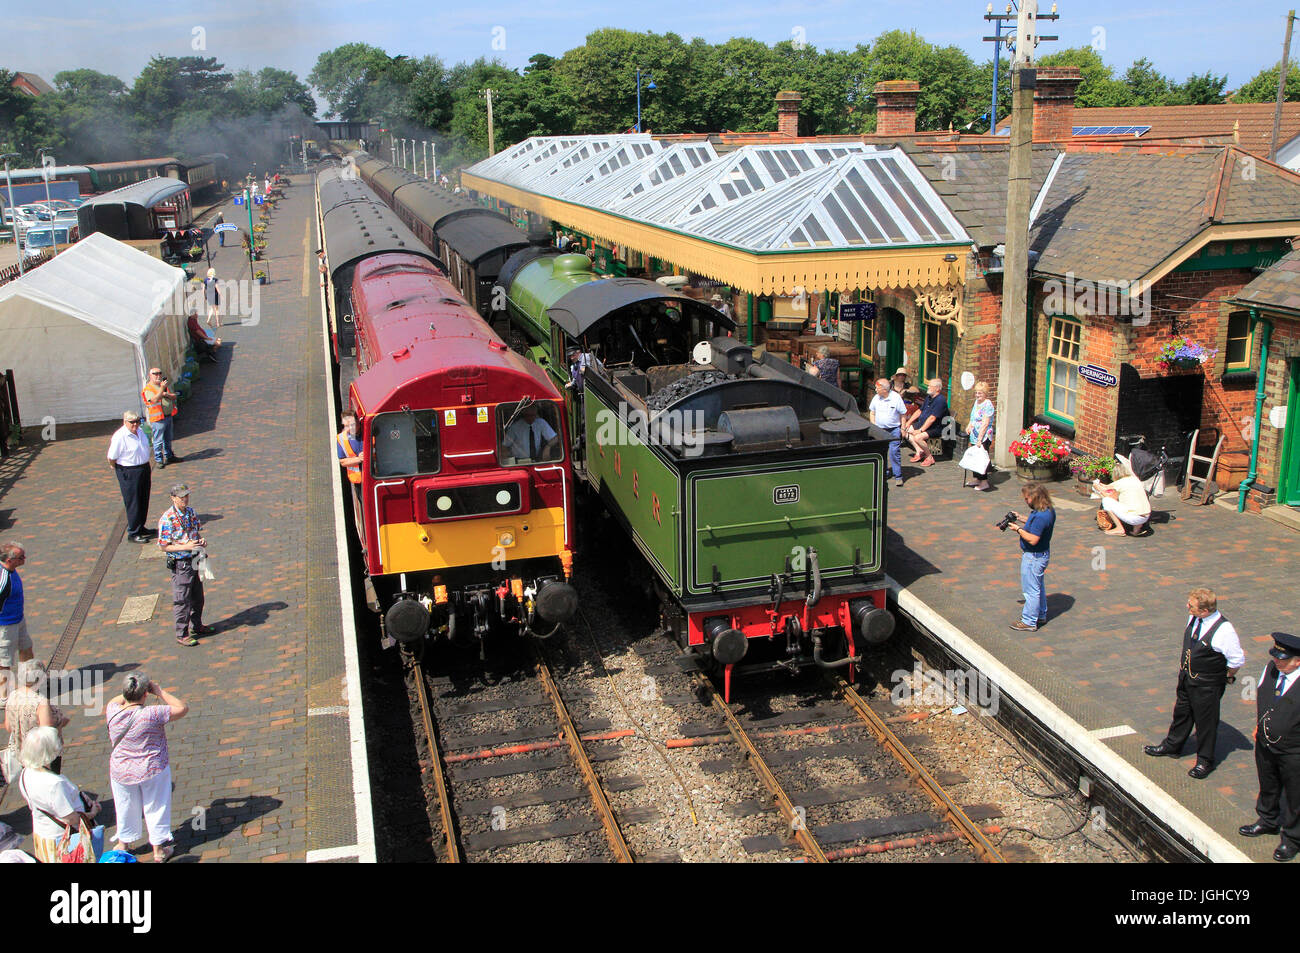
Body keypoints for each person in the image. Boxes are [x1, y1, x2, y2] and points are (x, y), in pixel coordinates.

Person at [1144, 588, 1245, 779]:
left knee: (1206, 722)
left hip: (1207, 685)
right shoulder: (1194, 618)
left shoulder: (1224, 631)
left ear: (1205, 611)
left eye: (1191, 606)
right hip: (1187, 679)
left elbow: (1236, 660)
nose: (1187, 607)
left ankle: (1205, 760)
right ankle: (1173, 745)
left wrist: (1227, 677)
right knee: (1182, 712)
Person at [106, 673, 188, 863]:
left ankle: (123, 843)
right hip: (152, 769)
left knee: (125, 806)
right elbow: (182, 708)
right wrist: (157, 690)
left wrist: (133, 689)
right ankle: (158, 850)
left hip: (121, 770)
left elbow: (115, 699)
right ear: (145, 695)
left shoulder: (112, 710)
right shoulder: (152, 713)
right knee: (156, 806)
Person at [1239, 631, 1300, 862]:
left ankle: (1292, 839)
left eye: (1283, 659)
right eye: (1276, 656)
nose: (1277, 661)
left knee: (1295, 797)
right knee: (1268, 784)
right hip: (1265, 744)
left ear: (1298, 661)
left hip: (1294, 751)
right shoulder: (1271, 669)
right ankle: (1267, 820)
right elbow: (1265, 698)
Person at [16, 727, 101, 863]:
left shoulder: (26, 773)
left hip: (43, 834)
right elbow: (71, 818)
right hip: (63, 840)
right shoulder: (54, 783)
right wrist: (93, 813)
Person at [157, 484, 210, 647]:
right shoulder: (168, 519)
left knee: (198, 597)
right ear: (173, 498)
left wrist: (200, 541)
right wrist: (185, 546)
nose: (185, 499)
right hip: (181, 564)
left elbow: (195, 532)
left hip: (195, 559)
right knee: (182, 599)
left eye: (186, 496)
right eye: (181, 497)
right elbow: (163, 546)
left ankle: (197, 625)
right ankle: (182, 633)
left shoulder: (191, 512)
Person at [1006, 482, 1056, 632]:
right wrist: (1021, 518)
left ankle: (1029, 621)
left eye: (1027, 498)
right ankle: (1040, 614)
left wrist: (1018, 529)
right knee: (1038, 586)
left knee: (1031, 590)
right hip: (1041, 555)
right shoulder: (1047, 510)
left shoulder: (1041, 516)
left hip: (1033, 557)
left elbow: (1033, 538)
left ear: (1035, 497)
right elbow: (1036, 525)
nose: (1025, 501)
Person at [5, 661, 69, 774]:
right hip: (43, 756)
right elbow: (48, 733)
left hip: (22, 752)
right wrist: (61, 722)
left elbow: (8, 727)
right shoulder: (40, 703)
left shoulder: (13, 696)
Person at [107, 412, 154, 543]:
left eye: (137, 421)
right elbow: (112, 457)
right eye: (132, 422)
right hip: (129, 470)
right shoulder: (120, 436)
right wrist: (115, 468)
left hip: (143, 468)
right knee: (133, 501)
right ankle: (133, 532)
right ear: (124, 422)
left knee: (143, 498)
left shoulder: (140, 431)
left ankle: (141, 527)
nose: (135, 424)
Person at [0, 543, 33, 701]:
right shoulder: (4, 579)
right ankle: (3, 696)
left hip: (18, 619)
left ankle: (30, 682)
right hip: (6, 626)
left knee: (26, 649)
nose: (24, 559)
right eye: (21, 557)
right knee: (4, 661)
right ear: (9, 560)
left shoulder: (11, 570)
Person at [868, 378, 907, 488]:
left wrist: (903, 428)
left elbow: (903, 414)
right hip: (880, 430)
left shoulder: (896, 398)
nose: (875, 390)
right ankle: (883, 473)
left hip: (894, 429)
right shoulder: (876, 398)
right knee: (881, 451)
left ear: (884, 389)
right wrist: (874, 426)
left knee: (894, 452)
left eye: (877, 388)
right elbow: (872, 413)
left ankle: (898, 476)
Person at [903, 379, 951, 467]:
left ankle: (929, 457)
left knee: (918, 437)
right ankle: (919, 451)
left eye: (930, 385)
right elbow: (919, 411)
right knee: (904, 430)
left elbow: (932, 419)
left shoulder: (940, 400)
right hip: (923, 424)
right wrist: (908, 422)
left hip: (936, 428)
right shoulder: (929, 397)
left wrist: (920, 430)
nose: (928, 387)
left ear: (937, 388)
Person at [1095, 466, 1152, 536]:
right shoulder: (1135, 479)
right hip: (1146, 516)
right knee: (1136, 502)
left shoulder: (1120, 482)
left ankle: (1119, 528)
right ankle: (1136, 529)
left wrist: (1096, 485)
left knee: (1106, 501)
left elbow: (1105, 490)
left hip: (1134, 518)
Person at [141, 367, 181, 468]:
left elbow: (173, 396)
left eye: (159, 373)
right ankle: (159, 460)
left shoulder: (163, 385)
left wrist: (167, 394)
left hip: (167, 416)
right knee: (158, 440)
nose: (158, 375)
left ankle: (169, 456)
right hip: (158, 419)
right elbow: (153, 400)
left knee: (168, 438)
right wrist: (162, 391)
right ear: (150, 376)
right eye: (155, 374)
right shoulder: (149, 388)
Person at [965, 381, 995, 491]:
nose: (977, 395)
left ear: (985, 394)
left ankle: (984, 481)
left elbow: (985, 423)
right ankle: (977, 478)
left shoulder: (988, 405)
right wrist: (969, 426)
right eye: (976, 393)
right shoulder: (976, 403)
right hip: (974, 433)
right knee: (974, 457)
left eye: (980, 393)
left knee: (981, 458)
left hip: (983, 435)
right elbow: (973, 417)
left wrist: (979, 439)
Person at [336, 412, 364, 510]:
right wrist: (359, 459)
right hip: (359, 481)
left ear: (358, 422)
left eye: (352, 425)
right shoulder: (341, 438)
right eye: (346, 426)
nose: (349, 429)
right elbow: (343, 462)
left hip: (375, 477)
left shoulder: (369, 431)